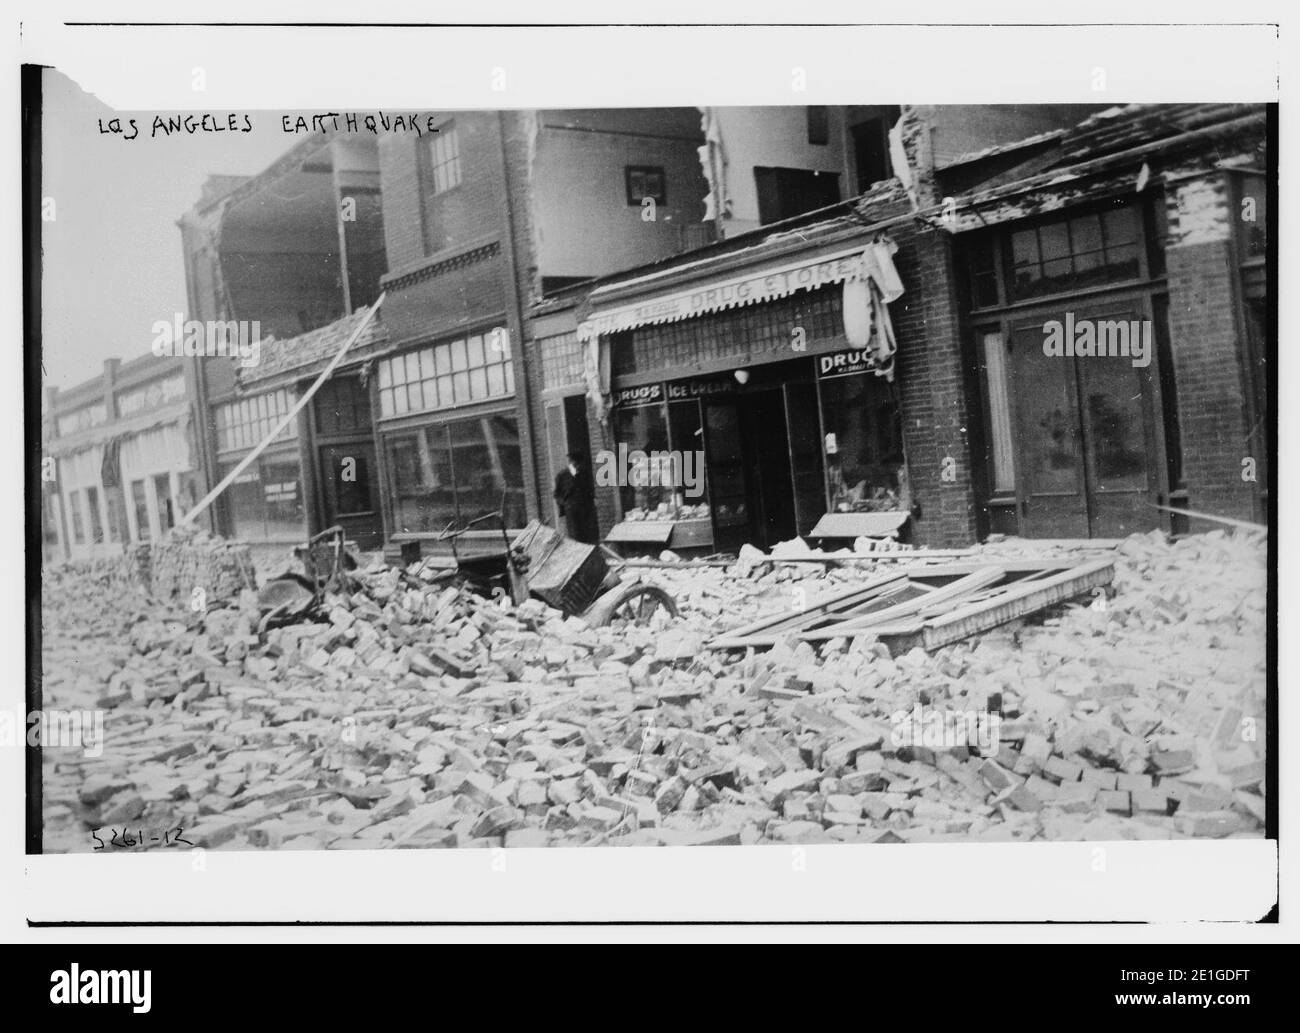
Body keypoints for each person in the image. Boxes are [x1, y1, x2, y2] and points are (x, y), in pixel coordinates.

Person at [554, 451, 596, 543]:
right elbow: (557, 494)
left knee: (585, 533)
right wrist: (565, 504)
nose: (577, 466)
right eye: (574, 463)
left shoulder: (584, 474)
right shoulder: (562, 475)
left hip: (584, 508)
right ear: (571, 462)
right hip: (571, 509)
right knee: (574, 533)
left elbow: (590, 490)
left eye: (578, 464)